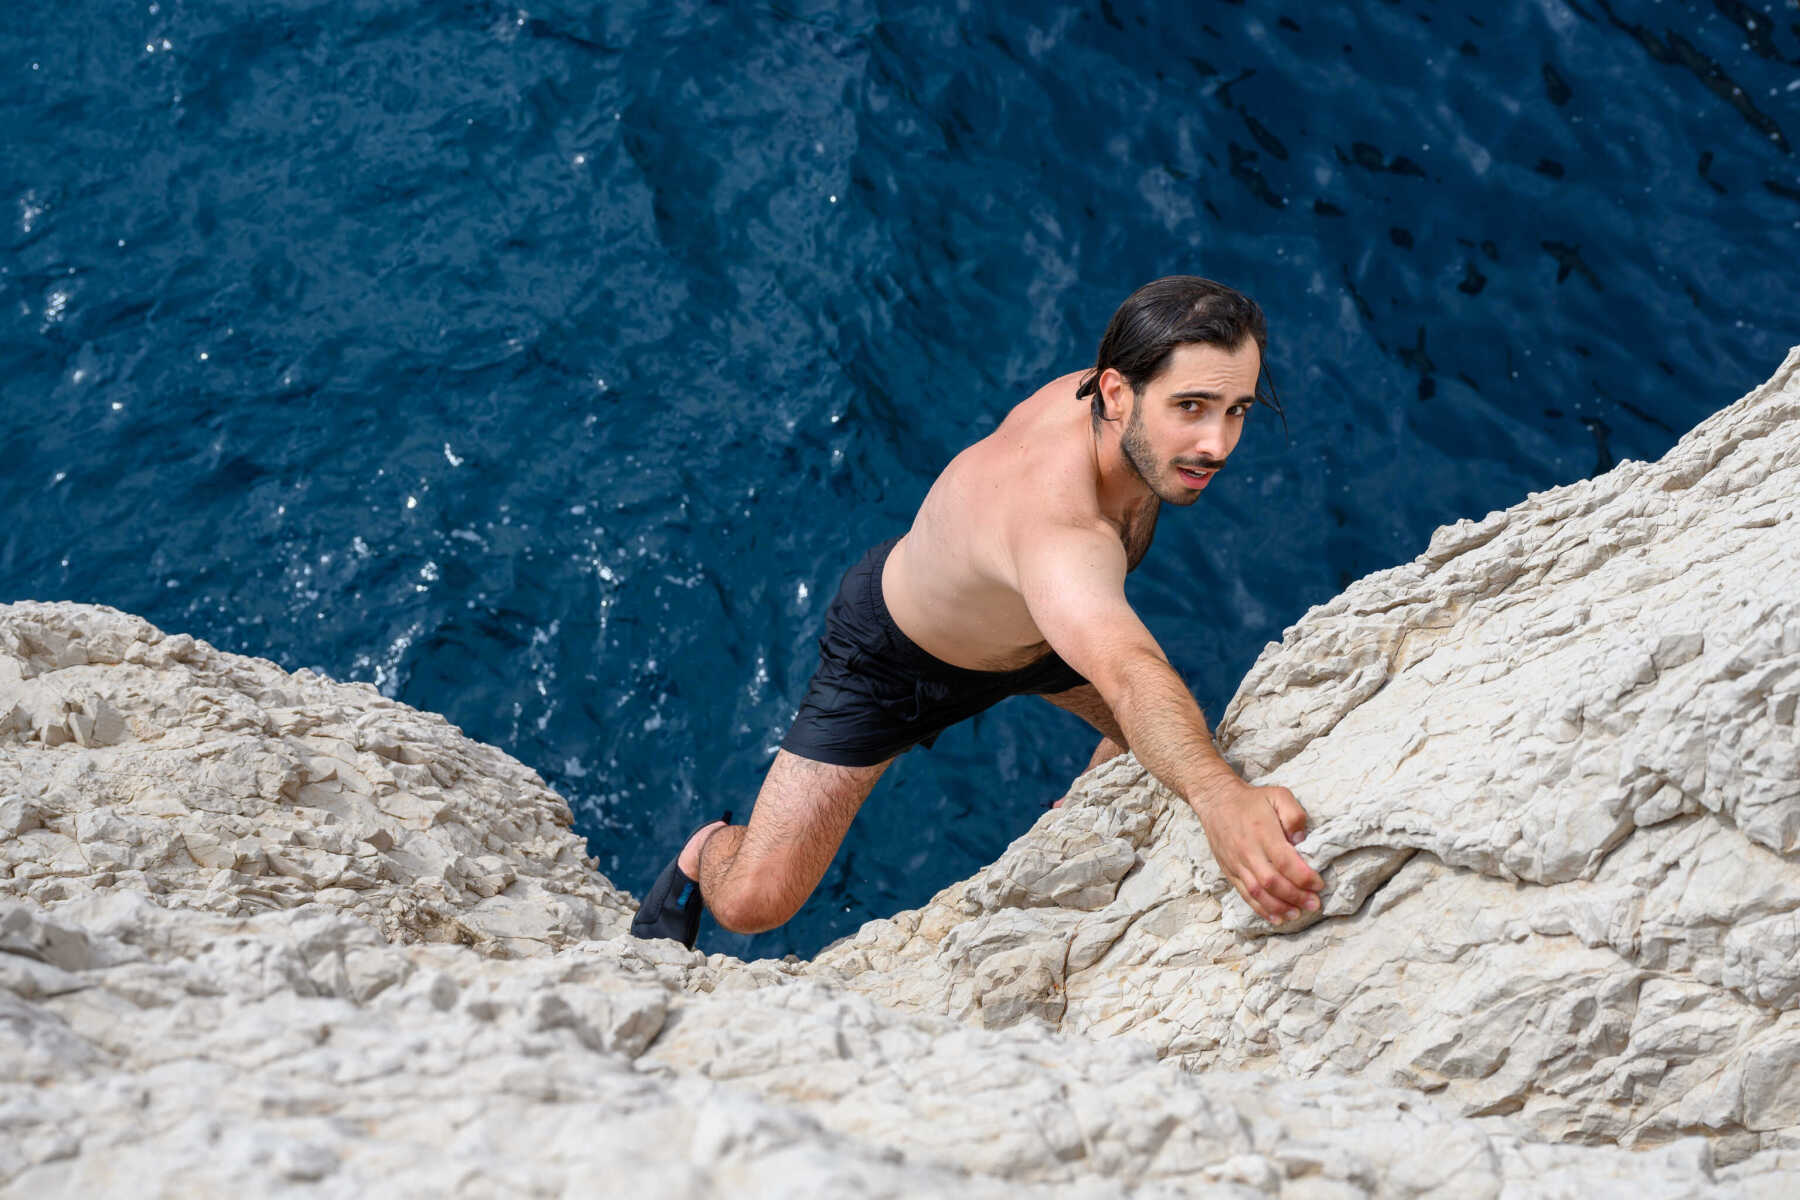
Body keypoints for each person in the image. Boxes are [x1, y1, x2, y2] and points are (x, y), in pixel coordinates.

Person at [631, 275, 1324, 948]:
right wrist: (1222, 801)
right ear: (1115, 392)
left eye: (1236, 410)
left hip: (1038, 632)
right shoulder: (1058, 522)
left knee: (1158, 744)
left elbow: (1122, 668)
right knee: (755, 904)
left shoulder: (1139, 422)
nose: (1218, 444)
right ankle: (705, 852)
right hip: (894, 661)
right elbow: (1126, 668)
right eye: (1193, 407)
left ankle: (1074, 816)